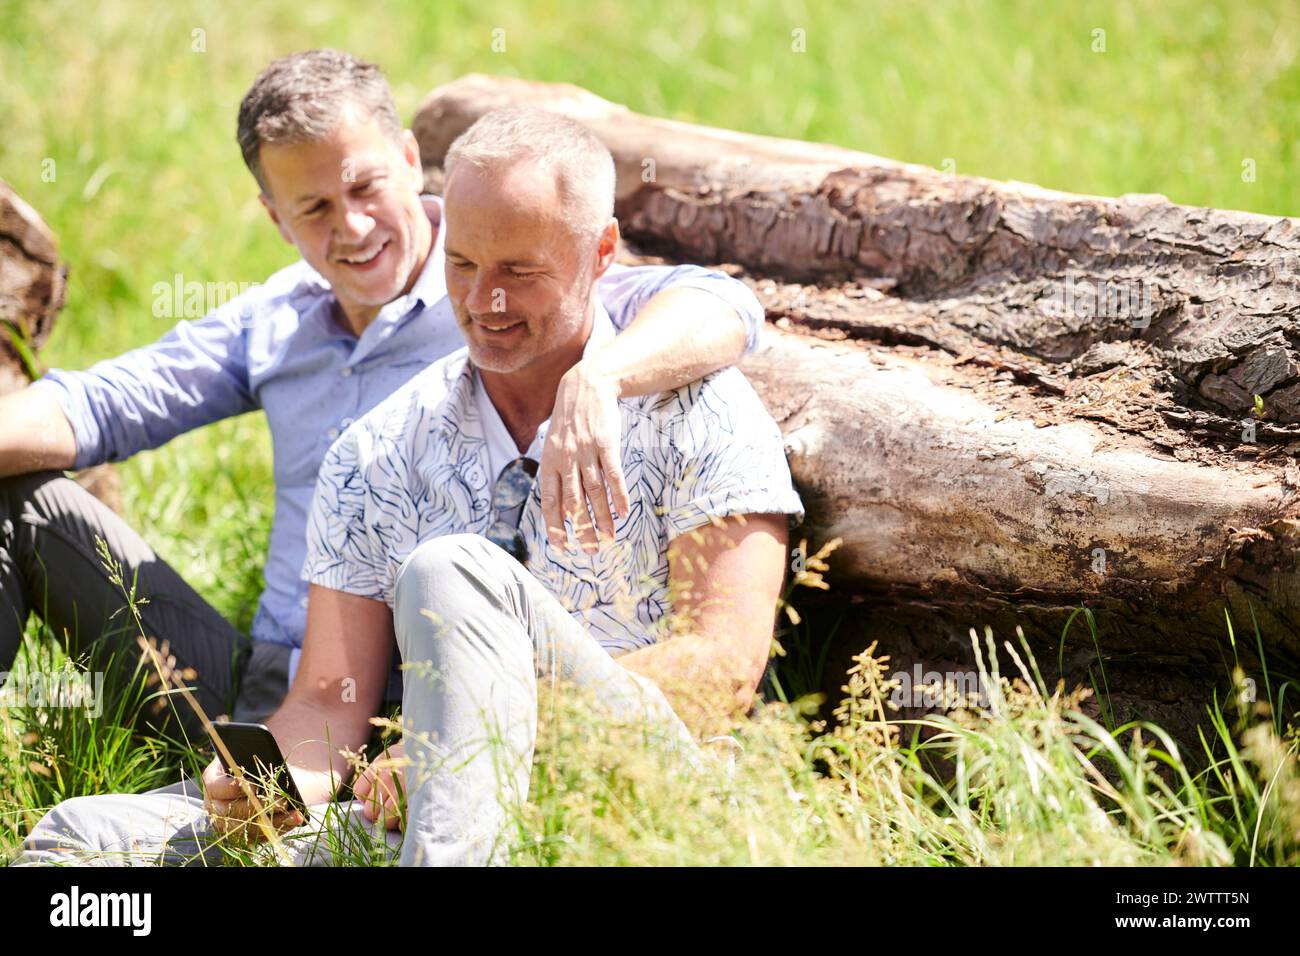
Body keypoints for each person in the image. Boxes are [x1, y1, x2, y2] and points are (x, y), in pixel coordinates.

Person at [14, 106, 804, 867]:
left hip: (633, 805)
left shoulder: (702, 409)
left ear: (601, 253)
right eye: (461, 264)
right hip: (410, 815)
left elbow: (717, 674)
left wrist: (462, 739)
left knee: (448, 569)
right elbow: (327, 703)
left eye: (519, 271)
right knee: (80, 838)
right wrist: (270, 787)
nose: (483, 300)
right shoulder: (379, 448)